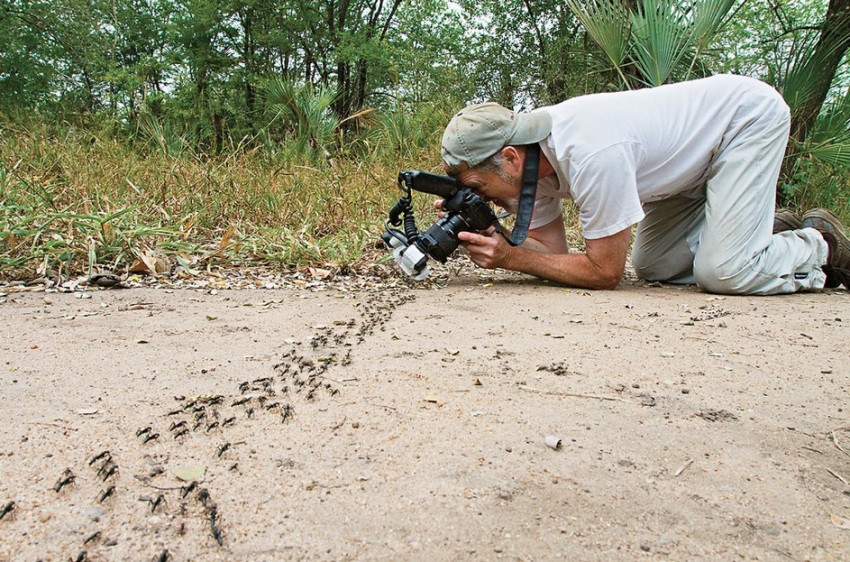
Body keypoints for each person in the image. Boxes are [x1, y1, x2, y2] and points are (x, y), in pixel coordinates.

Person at [439, 74, 850, 294]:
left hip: (740, 122)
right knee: (653, 265)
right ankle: (756, 229)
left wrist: (512, 259)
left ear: (510, 158)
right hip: (683, 173)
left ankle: (820, 243)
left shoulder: (590, 152)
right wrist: (484, 231)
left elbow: (604, 272)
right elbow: (553, 253)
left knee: (724, 274)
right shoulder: (530, 162)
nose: (480, 196)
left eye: (477, 186)